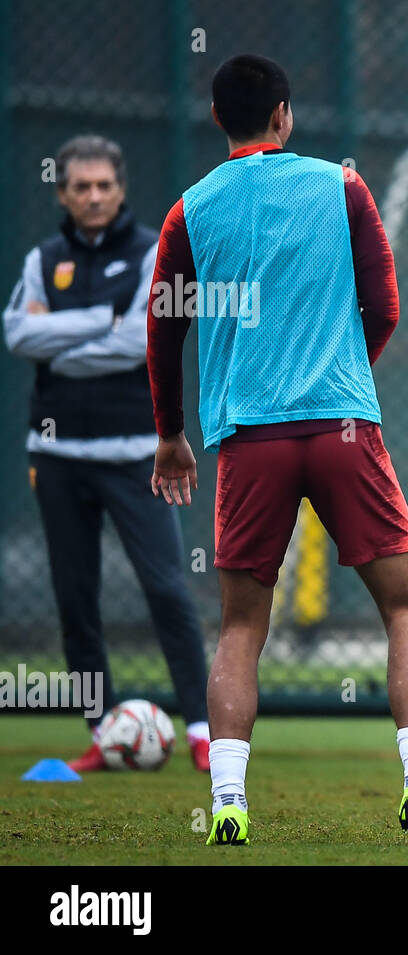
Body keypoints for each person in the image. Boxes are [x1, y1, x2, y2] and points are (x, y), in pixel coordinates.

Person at [148, 54, 408, 846]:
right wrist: (346, 377)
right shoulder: (342, 185)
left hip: (247, 437)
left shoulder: (188, 210)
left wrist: (169, 434)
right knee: (404, 606)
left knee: (240, 627)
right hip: (343, 427)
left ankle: (227, 801)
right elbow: (383, 303)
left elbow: (163, 330)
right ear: (284, 114)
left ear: (220, 119)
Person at [4, 135, 210, 773]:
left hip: (135, 456)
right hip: (58, 453)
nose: (93, 197)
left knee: (167, 589)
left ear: (120, 189)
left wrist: (61, 336)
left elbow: (137, 343)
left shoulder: (153, 250)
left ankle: (204, 731)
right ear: (62, 192)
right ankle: (103, 732)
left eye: (104, 186)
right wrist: (104, 318)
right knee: (76, 599)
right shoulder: (44, 259)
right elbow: (16, 332)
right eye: (80, 187)